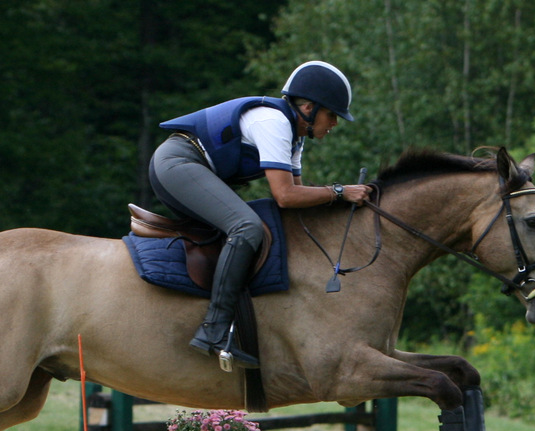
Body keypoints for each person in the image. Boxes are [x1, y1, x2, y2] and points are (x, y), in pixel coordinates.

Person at [149, 60, 374, 368]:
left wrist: (338, 200)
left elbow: (296, 199)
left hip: (190, 167)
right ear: (308, 108)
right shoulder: (275, 123)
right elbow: (285, 195)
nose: (334, 123)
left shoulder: (295, 137)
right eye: (331, 114)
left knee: (260, 226)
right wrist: (339, 191)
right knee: (247, 227)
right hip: (177, 164)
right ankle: (213, 330)